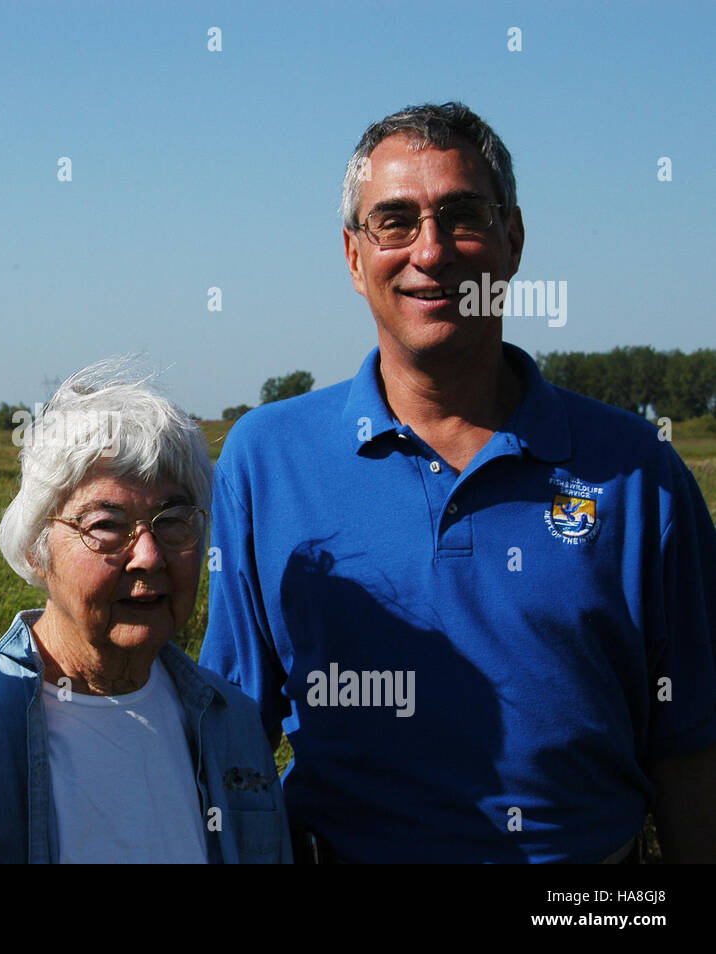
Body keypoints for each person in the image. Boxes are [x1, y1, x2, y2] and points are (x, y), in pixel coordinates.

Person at [200, 102, 716, 863]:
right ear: (352, 256)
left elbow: (693, 746)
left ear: (512, 240)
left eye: (463, 215)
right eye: (395, 221)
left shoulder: (640, 471)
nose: (431, 251)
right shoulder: (266, 459)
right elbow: (233, 735)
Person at [0, 362, 290, 863]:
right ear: (38, 548)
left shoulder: (231, 724)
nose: (149, 555)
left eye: (174, 520)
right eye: (107, 524)